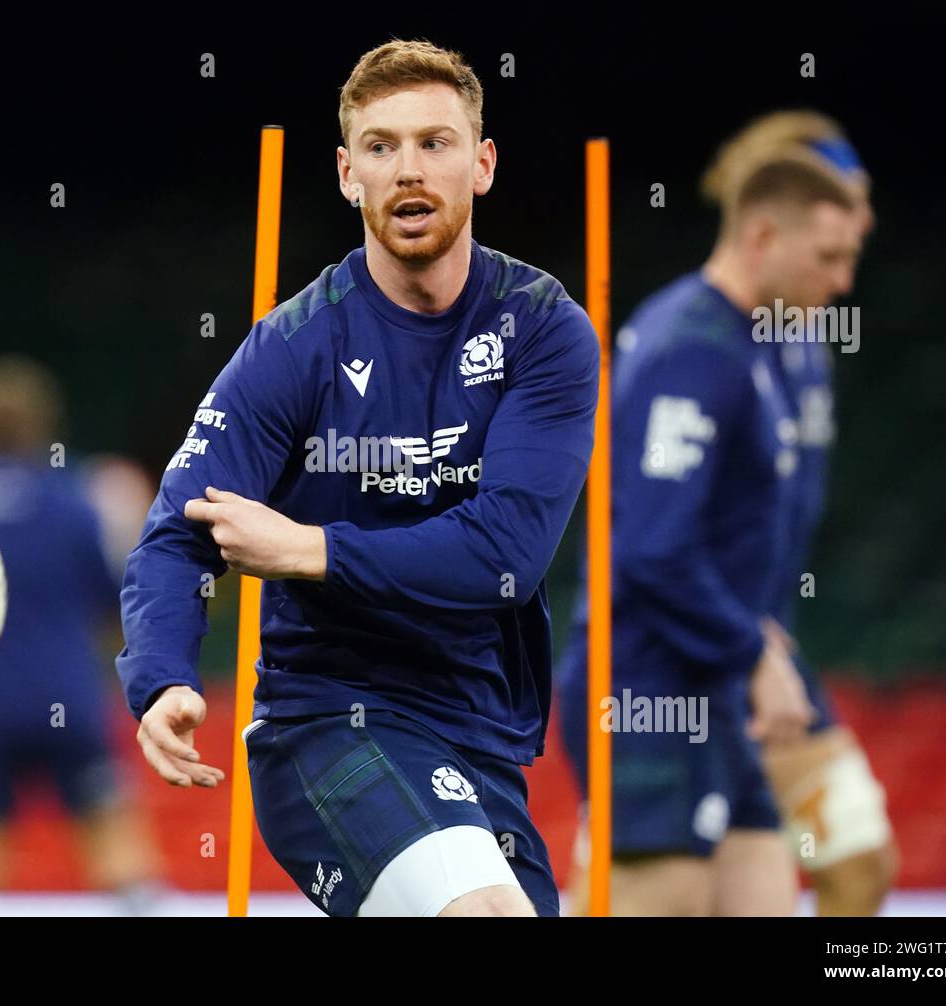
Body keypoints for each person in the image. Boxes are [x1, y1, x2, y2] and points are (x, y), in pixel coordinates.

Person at [116, 38, 600, 917]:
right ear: (348, 174)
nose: (408, 170)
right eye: (381, 147)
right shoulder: (295, 345)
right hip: (330, 719)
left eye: (434, 142)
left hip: (482, 729)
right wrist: (161, 678)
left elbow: (507, 553)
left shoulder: (544, 329)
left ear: (482, 164)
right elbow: (177, 531)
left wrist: (309, 550)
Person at [559, 112, 876, 915]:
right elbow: (651, 549)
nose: (844, 283)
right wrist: (753, 651)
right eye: (830, 257)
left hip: (717, 685)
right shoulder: (693, 348)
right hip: (647, 684)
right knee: (661, 899)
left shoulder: (767, 343)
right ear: (764, 235)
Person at [700, 112, 898, 916]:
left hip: (770, 652)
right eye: (842, 200)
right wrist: (740, 642)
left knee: (857, 862)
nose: (861, 220)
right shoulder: (713, 340)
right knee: (665, 893)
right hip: (693, 661)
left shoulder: (807, 335)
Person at [0, 356, 167, 912]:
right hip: (68, 698)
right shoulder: (76, 501)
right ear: (44, 424)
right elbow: (118, 605)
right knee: (120, 856)